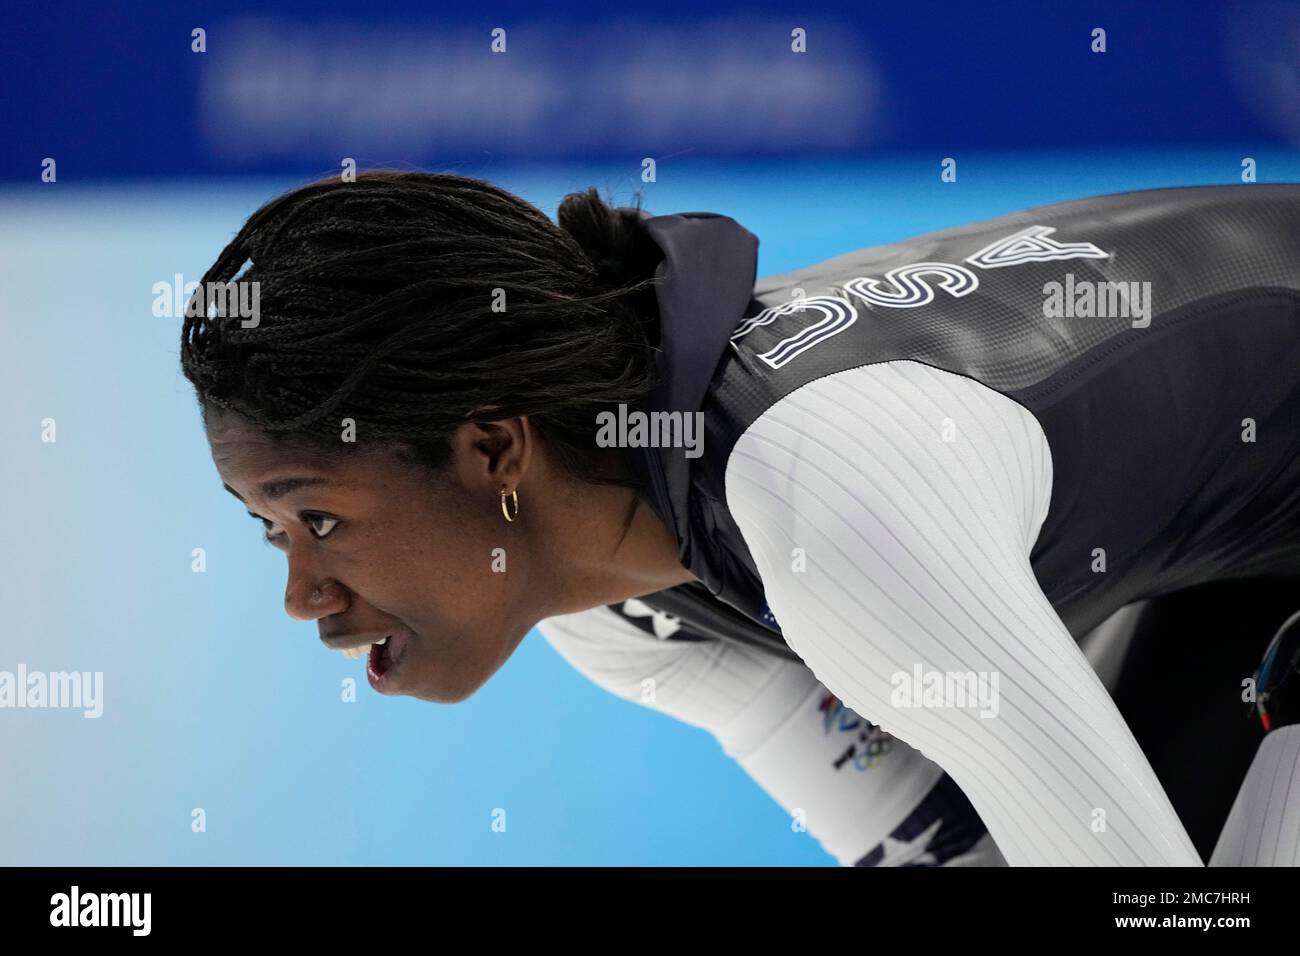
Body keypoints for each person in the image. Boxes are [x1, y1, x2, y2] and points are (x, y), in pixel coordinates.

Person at [181, 170, 1300, 865]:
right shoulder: (609, 605)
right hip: (1226, 570)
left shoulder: (826, 501)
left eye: (316, 517)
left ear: (490, 451)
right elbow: (953, 847)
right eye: (267, 531)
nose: (302, 599)